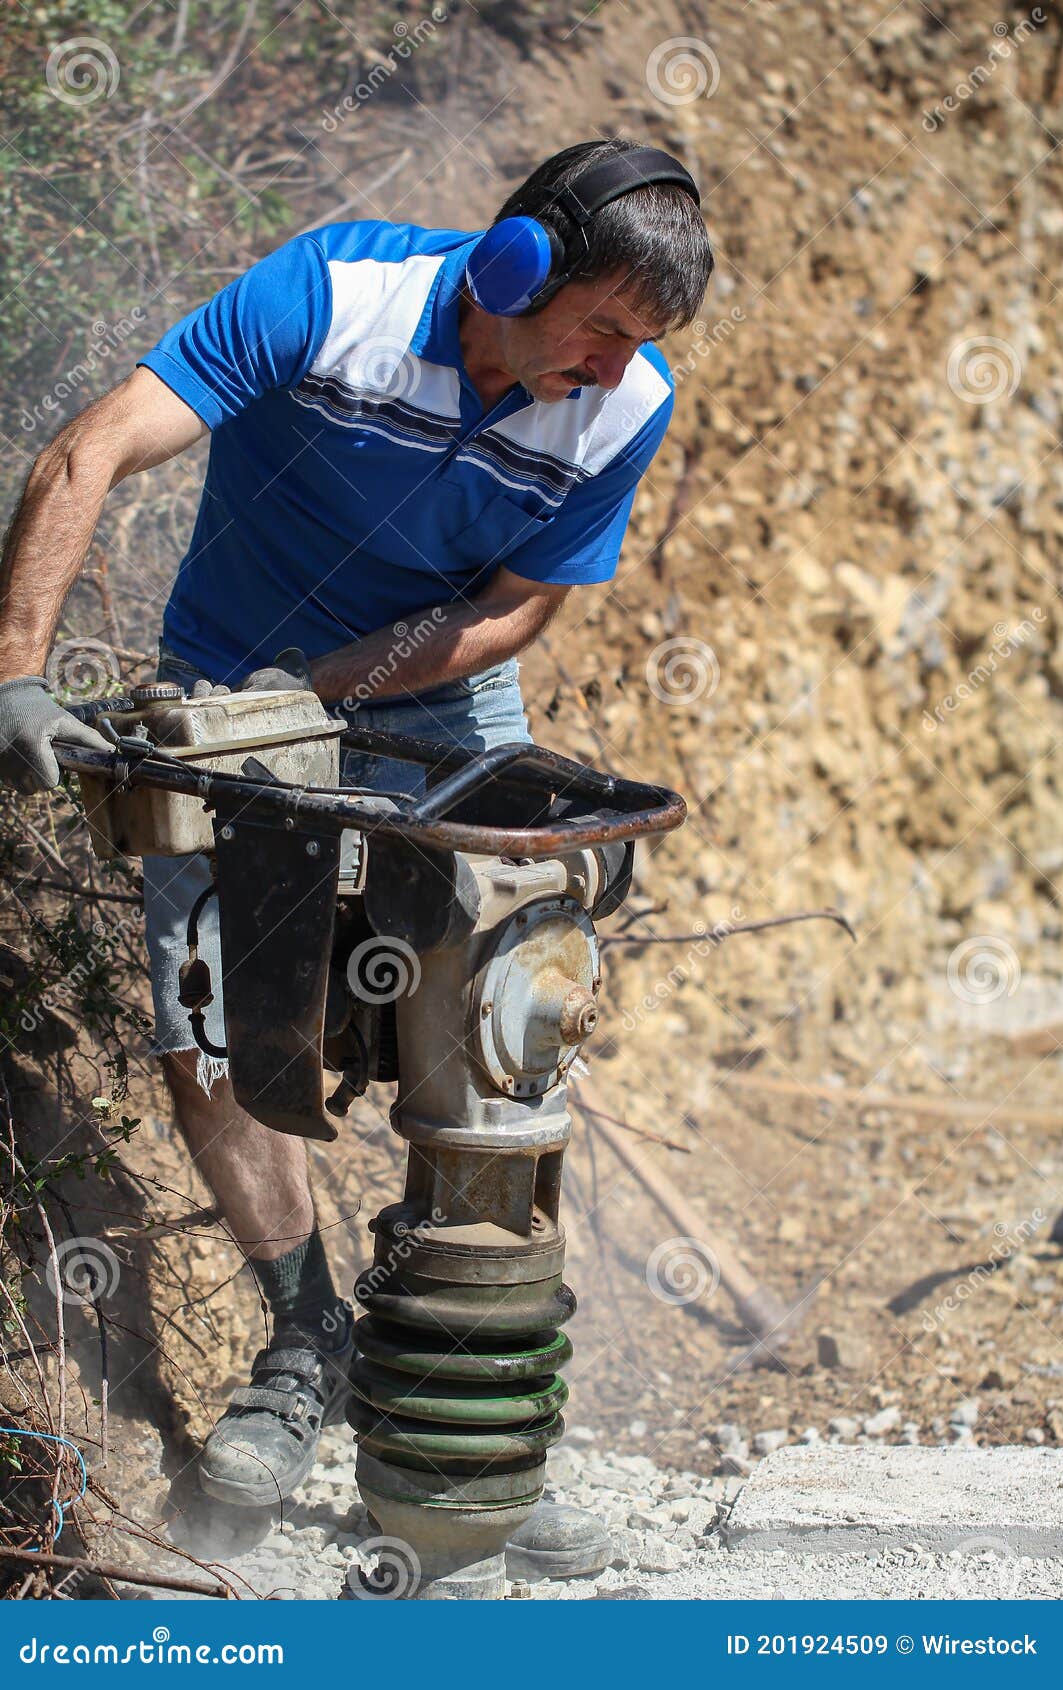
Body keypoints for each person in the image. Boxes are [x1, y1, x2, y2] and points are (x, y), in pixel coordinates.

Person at [0, 137, 713, 1551]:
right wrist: (16, 672)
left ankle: (456, 1401)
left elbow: (515, 608)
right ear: (520, 264)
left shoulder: (621, 407)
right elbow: (90, 446)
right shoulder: (335, 296)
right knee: (216, 1030)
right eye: (606, 325)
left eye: (646, 342)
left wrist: (325, 689)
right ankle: (305, 1335)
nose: (619, 364)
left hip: (441, 688)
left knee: (492, 1031)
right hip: (223, 677)